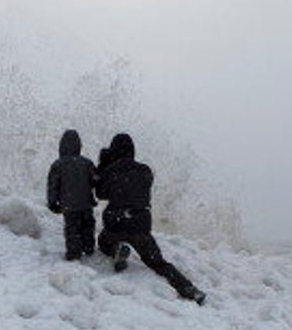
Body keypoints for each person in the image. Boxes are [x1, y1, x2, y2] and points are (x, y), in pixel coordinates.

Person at [95, 133, 206, 305]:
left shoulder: (111, 170)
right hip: (140, 226)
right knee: (158, 263)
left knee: (103, 241)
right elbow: (138, 188)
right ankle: (189, 289)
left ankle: (117, 248)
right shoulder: (145, 171)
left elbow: (100, 194)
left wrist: (104, 165)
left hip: (116, 223)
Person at [46, 129, 97, 260]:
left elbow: (53, 186)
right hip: (86, 203)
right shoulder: (87, 163)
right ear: (79, 145)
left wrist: (52, 203)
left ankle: (74, 254)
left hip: (69, 205)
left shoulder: (58, 164)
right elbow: (95, 181)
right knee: (88, 225)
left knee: (72, 229)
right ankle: (89, 247)